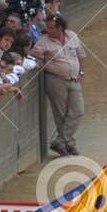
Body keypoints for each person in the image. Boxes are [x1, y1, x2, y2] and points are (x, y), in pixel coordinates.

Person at [31, 12, 85, 156]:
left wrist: (81, 73)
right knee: (61, 113)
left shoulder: (72, 36)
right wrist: (43, 63)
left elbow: (81, 55)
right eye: (48, 27)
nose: (48, 30)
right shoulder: (43, 40)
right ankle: (69, 144)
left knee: (78, 111)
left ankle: (61, 141)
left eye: (51, 28)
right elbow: (34, 55)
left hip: (74, 78)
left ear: (60, 28)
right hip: (55, 79)